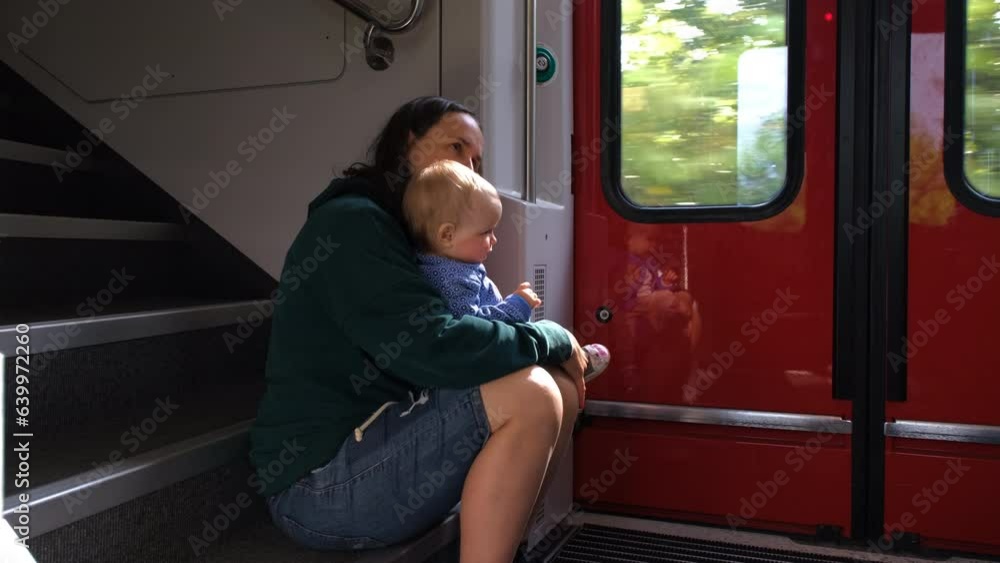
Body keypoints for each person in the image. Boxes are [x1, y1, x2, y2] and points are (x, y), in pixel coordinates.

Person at [249, 96, 590, 563]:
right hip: (318, 483)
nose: (470, 166)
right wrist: (549, 336)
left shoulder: (415, 242)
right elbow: (432, 346)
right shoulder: (353, 224)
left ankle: (508, 549)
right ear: (408, 147)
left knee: (561, 387)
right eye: (456, 147)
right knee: (532, 393)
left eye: (476, 159)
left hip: (382, 439)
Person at [402, 160, 610, 378]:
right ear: (447, 235)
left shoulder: (452, 264)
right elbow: (475, 331)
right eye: (486, 232)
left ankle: (559, 366)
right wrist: (516, 305)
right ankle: (560, 370)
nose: (494, 240)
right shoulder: (450, 278)